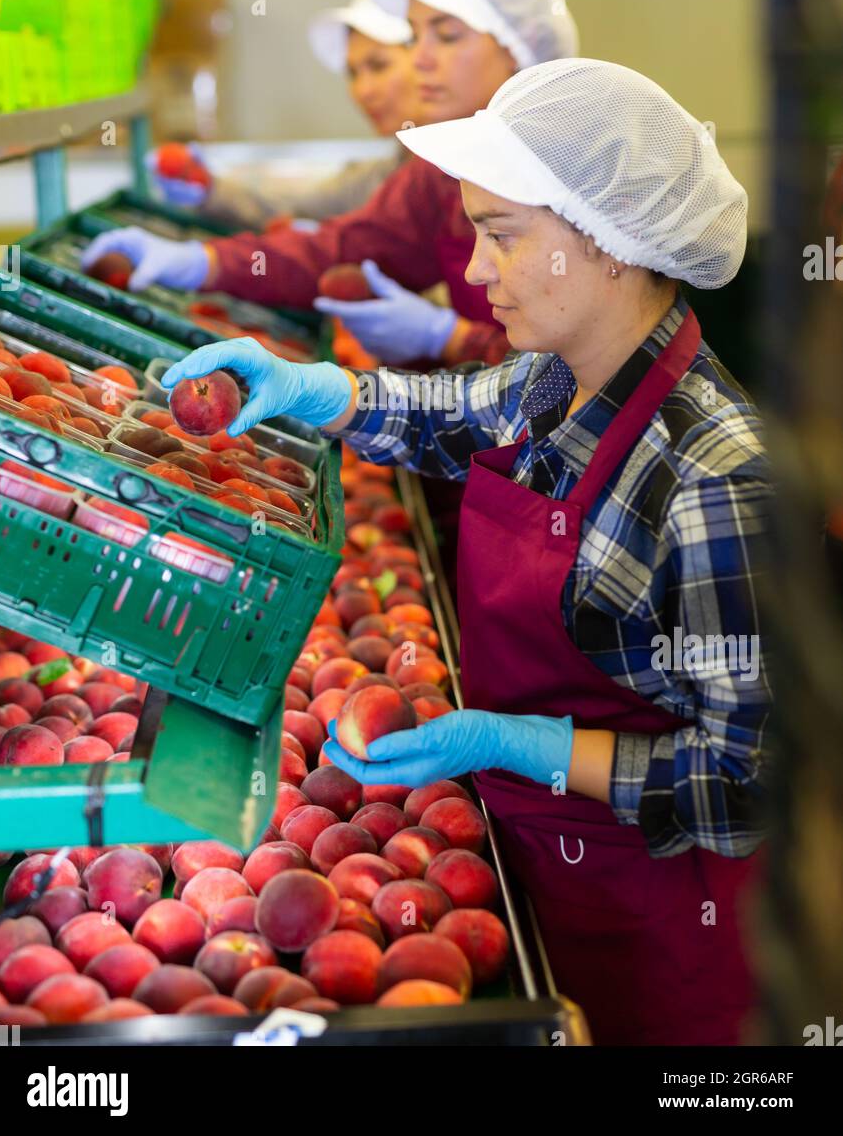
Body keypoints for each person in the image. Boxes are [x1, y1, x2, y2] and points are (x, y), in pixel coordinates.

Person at [159, 58, 772, 1047]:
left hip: (655, 937)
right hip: (524, 875)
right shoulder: (546, 380)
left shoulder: (713, 481)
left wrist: (512, 742)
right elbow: (445, 415)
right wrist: (319, 392)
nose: (476, 270)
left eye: (500, 235)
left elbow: (741, 782)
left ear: (606, 244)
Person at [82, 0, 578, 369]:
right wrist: (198, 262)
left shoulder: (573, 167)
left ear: (521, 45)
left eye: (446, 35)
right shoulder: (441, 173)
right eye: (414, 35)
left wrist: (450, 339)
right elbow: (340, 248)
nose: (420, 59)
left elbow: (589, 372)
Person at [156, 0, 421, 232]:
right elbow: (289, 205)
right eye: (352, 73)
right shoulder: (378, 178)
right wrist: (208, 188)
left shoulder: (454, 178)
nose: (362, 90)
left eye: (379, 66)